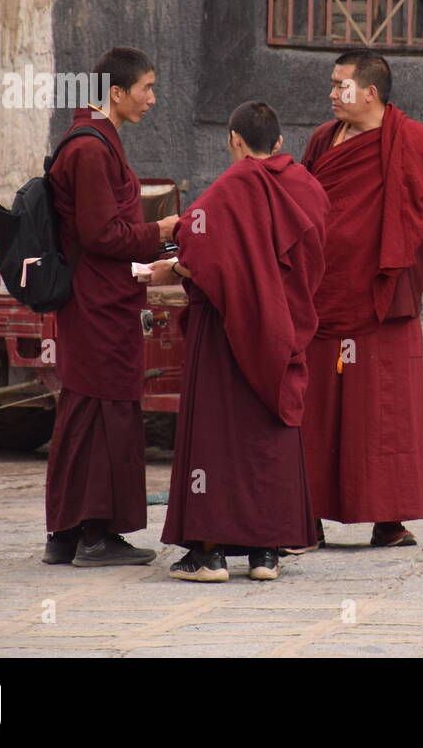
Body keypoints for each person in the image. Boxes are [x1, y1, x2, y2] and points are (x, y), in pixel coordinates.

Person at [296, 50, 423, 549]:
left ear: (370, 92)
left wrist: (407, 268)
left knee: (383, 407)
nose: (331, 93)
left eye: (340, 85)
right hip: (326, 294)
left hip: (381, 297)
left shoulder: (410, 141)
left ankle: (387, 519)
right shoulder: (322, 140)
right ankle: (309, 515)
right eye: (331, 84)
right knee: (318, 407)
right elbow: (301, 205)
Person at [153, 102, 328, 581]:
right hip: (281, 331)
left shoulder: (232, 187)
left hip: (228, 332)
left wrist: (180, 268)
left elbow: (197, 249)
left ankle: (207, 554)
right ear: (279, 143)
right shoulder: (305, 187)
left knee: (218, 437)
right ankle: (265, 553)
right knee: (269, 430)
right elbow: (310, 258)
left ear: (234, 139)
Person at [42, 47, 178, 566]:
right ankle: (97, 536)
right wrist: (159, 232)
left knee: (82, 412)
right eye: (146, 88)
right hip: (98, 300)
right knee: (105, 413)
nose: (152, 98)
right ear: (115, 93)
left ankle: (66, 534)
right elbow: (102, 234)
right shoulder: (93, 148)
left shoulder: (90, 139)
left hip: (99, 298)